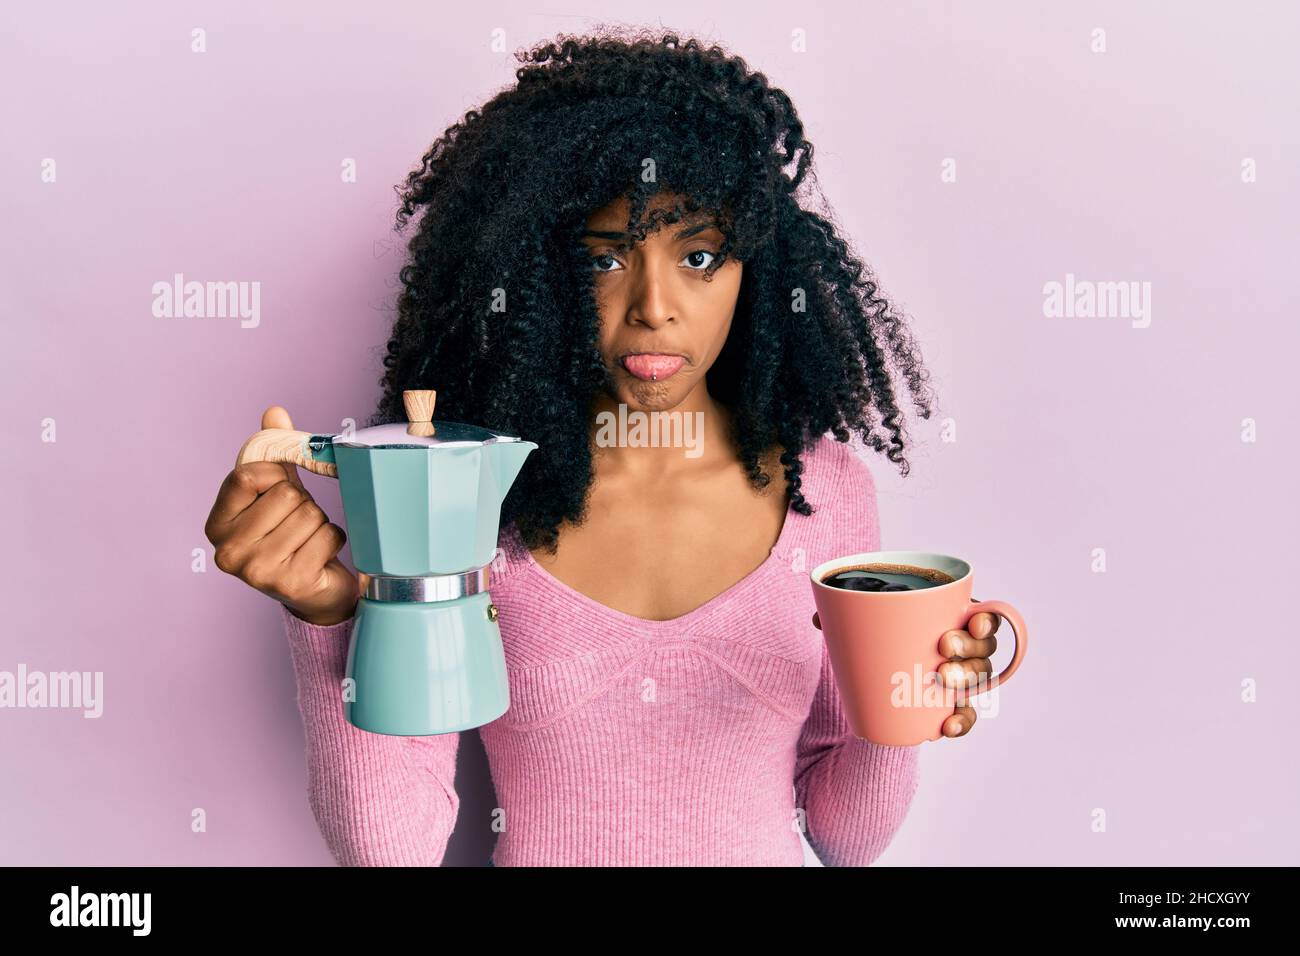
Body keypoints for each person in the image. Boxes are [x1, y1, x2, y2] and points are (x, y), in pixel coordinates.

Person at [204, 30, 1000, 867]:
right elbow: (390, 849)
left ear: (753, 272)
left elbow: (847, 839)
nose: (654, 306)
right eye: (606, 257)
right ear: (543, 274)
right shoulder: (472, 492)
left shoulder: (826, 492)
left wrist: (903, 706)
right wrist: (330, 621)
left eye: (699, 256)